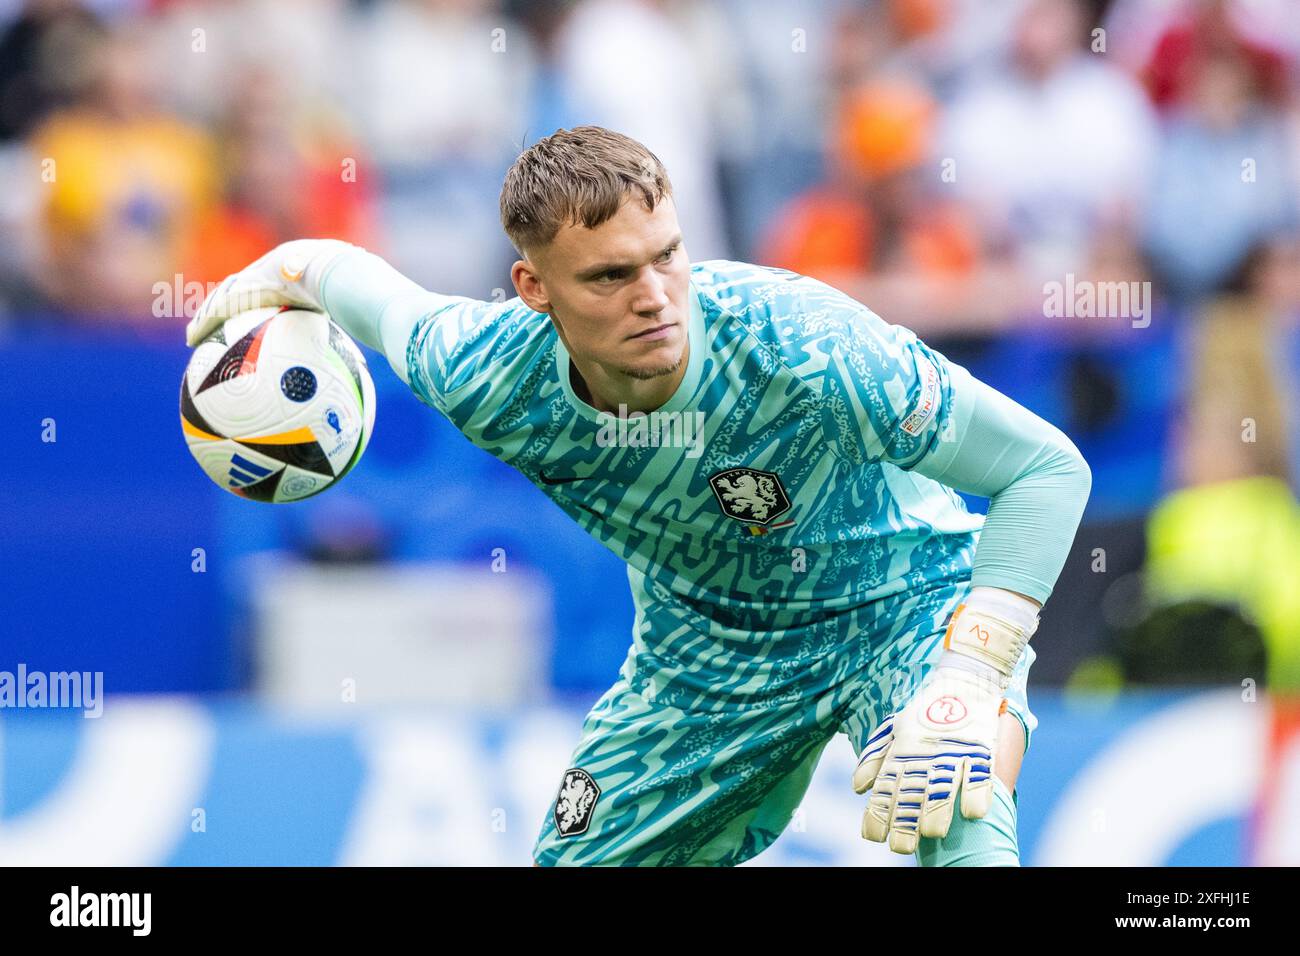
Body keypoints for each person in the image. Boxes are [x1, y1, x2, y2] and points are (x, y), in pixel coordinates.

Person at [185, 126, 1091, 866]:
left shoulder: (811, 349)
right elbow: (349, 282)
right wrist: (276, 274)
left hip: (908, 603)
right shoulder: (482, 371)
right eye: (612, 276)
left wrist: (972, 679)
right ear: (533, 290)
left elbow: (1046, 469)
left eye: (667, 257)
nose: (656, 297)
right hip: (705, 648)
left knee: (957, 814)